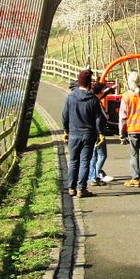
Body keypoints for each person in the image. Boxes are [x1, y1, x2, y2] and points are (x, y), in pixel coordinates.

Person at [62, 68, 105, 198]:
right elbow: (99, 118)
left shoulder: (70, 97)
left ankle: (71, 188)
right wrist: (100, 133)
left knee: (73, 161)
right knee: (85, 161)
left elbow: (65, 116)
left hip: (73, 134)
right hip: (88, 135)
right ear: (89, 83)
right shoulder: (93, 99)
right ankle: (81, 189)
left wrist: (66, 131)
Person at [88, 81, 114, 186]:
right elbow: (100, 119)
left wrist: (109, 89)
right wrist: (100, 133)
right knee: (102, 155)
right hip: (98, 133)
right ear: (100, 91)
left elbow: (102, 94)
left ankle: (92, 176)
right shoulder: (97, 103)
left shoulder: (91, 99)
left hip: (91, 132)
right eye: (103, 90)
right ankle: (96, 175)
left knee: (93, 156)